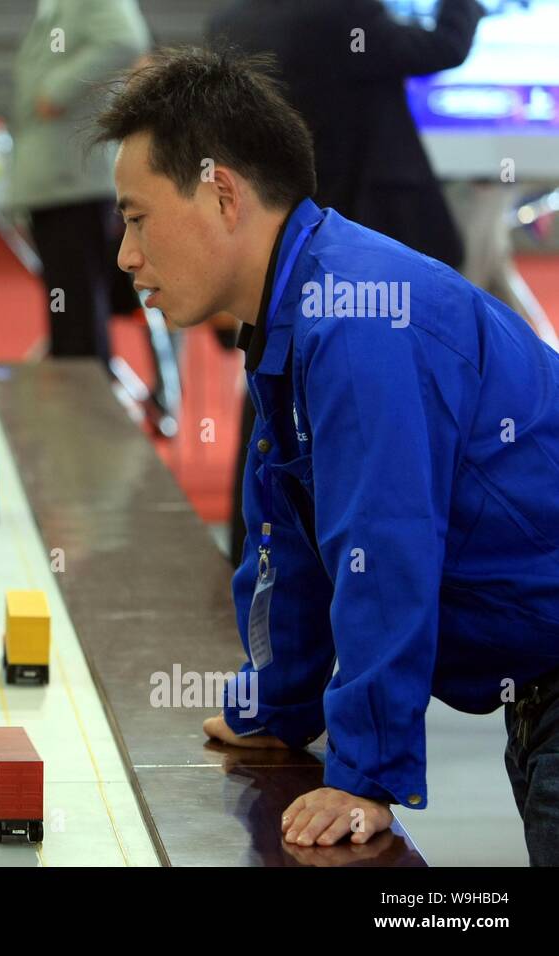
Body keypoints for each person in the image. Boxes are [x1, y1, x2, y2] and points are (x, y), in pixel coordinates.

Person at [95, 47, 559, 863]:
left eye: (137, 218)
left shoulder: (357, 322)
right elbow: (289, 532)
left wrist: (364, 775)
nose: (127, 256)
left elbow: (384, 546)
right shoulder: (299, 308)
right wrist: (277, 704)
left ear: (221, 192)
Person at [206, 0, 486, 561]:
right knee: (386, 400)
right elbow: (442, 48)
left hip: (279, 228)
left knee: (274, 378)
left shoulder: (231, 20)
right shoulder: (342, 12)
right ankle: (378, 552)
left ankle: (259, 543)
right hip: (368, 236)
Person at [10, 0, 151, 364]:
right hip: (57, 184)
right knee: (69, 316)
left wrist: (56, 90)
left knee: (79, 321)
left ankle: (87, 415)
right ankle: (71, 412)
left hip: (75, 184)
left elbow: (126, 39)